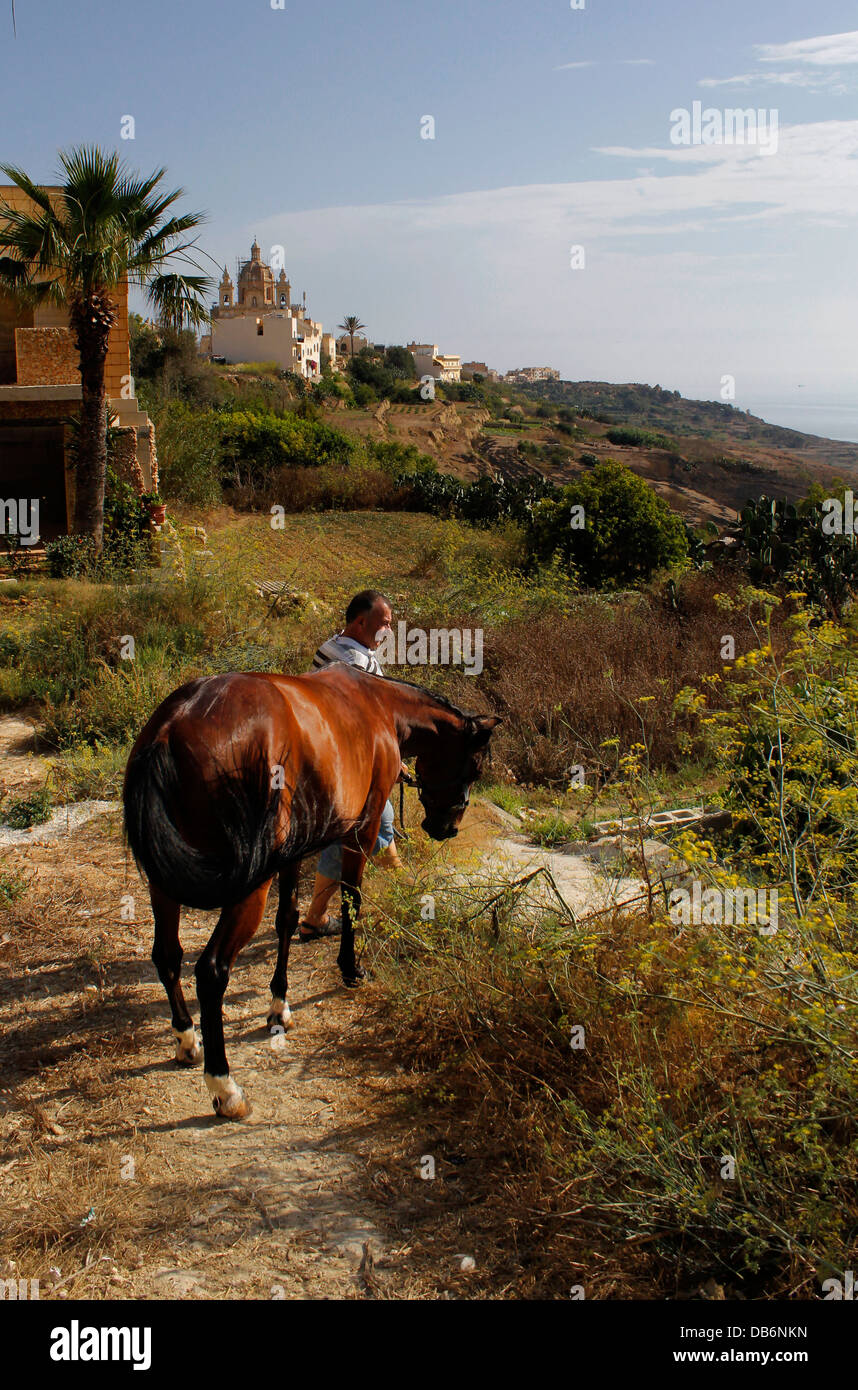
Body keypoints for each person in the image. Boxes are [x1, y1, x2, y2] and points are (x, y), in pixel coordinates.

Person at [299, 590, 403, 941]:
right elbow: (361, 727)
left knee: (379, 821)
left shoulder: (332, 646)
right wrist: (390, 761)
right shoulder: (357, 666)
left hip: (327, 757)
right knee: (358, 829)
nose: (388, 631)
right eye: (384, 624)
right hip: (342, 766)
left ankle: (396, 871)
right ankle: (314, 918)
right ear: (361, 622)